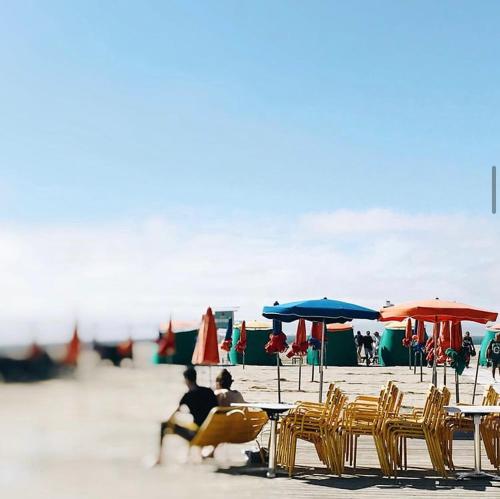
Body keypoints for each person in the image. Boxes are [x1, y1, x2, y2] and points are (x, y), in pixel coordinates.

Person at [156, 366, 218, 464]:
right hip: (211, 431)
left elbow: (173, 415)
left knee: (164, 425)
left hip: (197, 434)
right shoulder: (208, 391)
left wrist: (169, 422)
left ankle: (159, 458)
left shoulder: (187, 396)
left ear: (186, 380)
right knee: (195, 423)